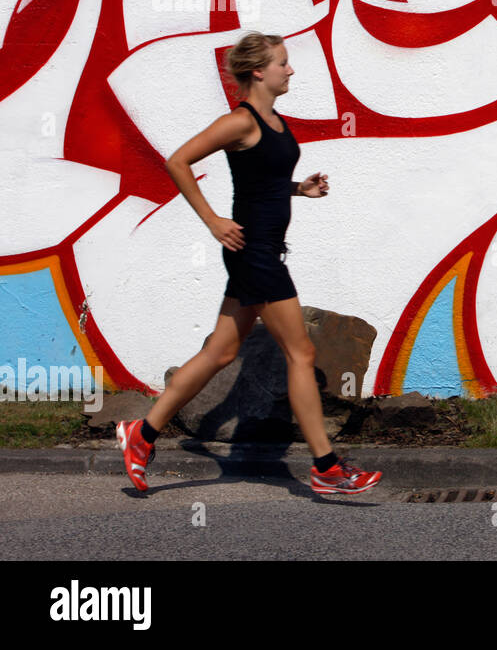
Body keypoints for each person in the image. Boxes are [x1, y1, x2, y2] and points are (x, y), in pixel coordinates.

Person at [115, 31, 381, 495]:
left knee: (220, 352)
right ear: (259, 70)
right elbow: (178, 161)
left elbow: (263, 180)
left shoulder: (273, 120)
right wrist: (213, 219)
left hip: (260, 252)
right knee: (302, 353)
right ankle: (326, 466)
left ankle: (142, 434)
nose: (291, 69)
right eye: (283, 62)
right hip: (254, 253)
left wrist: (300, 189)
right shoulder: (239, 121)